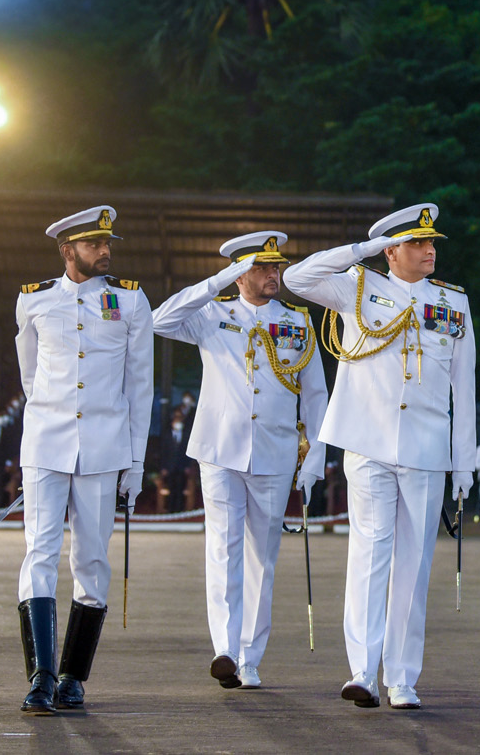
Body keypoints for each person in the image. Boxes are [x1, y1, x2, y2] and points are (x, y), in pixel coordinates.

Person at [282, 203, 476, 711]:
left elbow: (465, 385)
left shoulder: (453, 303)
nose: (429, 250)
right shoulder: (357, 288)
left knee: (414, 565)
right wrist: (364, 251)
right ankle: (363, 671)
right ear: (391, 250)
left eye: (432, 242)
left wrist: (464, 461)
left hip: (427, 448)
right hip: (367, 442)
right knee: (368, 555)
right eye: (416, 242)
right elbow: (298, 277)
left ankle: (403, 677)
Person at [153, 231, 330, 691]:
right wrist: (216, 283)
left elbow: (315, 394)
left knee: (261, 559)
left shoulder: (298, 321)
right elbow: (160, 320)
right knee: (222, 549)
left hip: (274, 451)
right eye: (263, 267)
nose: (274, 274)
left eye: (276, 267)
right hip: (219, 448)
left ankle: (251, 656)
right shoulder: (212, 313)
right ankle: (225, 649)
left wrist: (315, 458)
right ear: (240, 270)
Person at [13, 205, 154, 715]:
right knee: (39, 552)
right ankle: (41, 676)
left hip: (103, 448)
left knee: (92, 559)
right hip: (46, 444)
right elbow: (31, 377)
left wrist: (135, 463)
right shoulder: (35, 301)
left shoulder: (132, 301)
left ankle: (73, 675)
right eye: (94, 244)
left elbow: (141, 388)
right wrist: (52, 419)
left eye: (107, 242)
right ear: (67, 249)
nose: (105, 251)